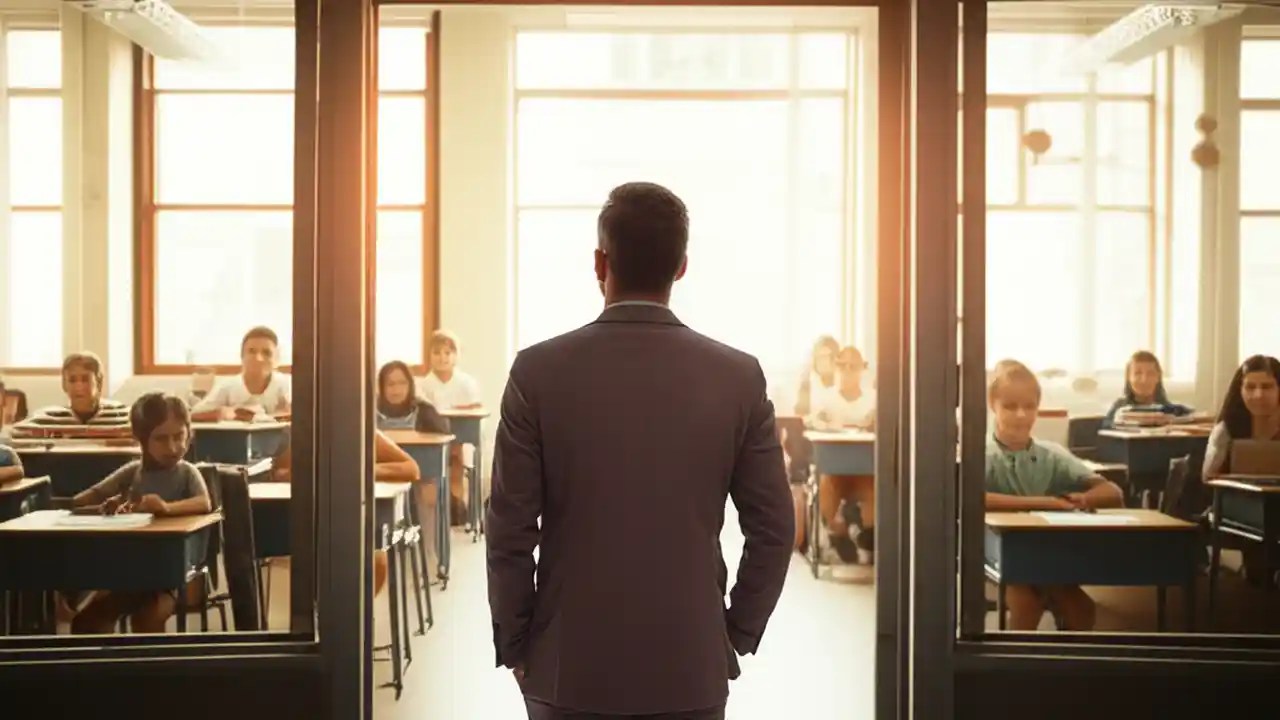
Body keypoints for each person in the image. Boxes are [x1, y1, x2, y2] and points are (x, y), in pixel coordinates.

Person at [487, 182, 793, 720]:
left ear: (600, 262)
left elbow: (509, 528)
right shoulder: (737, 377)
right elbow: (774, 527)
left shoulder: (537, 372)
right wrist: (736, 630)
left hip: (566, 668)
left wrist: (517, 645)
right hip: (690, 664)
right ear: (680, 267)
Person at [985, 359, 1124, 631]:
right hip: (999, 552)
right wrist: (1044, 503)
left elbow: (1113, 492)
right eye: (1010, 407)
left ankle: (1066, 669)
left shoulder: (1050, 454)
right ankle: (1016, 669)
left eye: (1029, 406)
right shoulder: (982, 453)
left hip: (1046, 552)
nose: (1021, 415)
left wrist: (1081, 499)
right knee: (1026, 605)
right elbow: (971, 498)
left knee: (1082, 609)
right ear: (993, 406)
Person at [70, 393, 213, 634]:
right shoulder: (133, 472)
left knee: (148, 619)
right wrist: (106, 507)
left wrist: (166, 508)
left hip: (169, 575)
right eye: (160, 439)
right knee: (87, 622)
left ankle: (150, 672)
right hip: (128, 571)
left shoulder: (187, 472)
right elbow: (81, 501)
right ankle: (104, 671)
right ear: (141, 439)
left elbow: (204, 503)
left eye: (179, 436)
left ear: (190, 433)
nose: (172, 447)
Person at [270, 426, 419, 596]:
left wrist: (365, 470)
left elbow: (412, 469)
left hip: (355, 517)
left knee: (375, 555)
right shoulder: (301, 431)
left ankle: (358, 614)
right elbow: (280, 473)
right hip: (310, 516)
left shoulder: (365, 432)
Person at [810, 346, 877, 563]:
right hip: (835, 471)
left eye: (852, 366)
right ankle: (838, 532)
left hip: (866, 473)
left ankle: (868, 535)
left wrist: (874, 421)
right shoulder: (827, 398)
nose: (847, 371)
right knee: (827, 483)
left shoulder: (873, 398)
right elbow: (812, 421)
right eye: (842, 366)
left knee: (875, 489)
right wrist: (821, 421)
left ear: (861, 370)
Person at [420, 330, 480, 523]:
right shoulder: (424, 384)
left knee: (457, 452)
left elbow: (475, 408)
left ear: (456, 356)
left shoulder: (466, 383)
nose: (442, 358)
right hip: (433, 438)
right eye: (437, 353)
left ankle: (456, 500)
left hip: (460, 440)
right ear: (429, 356)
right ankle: (437, 504)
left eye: (448, 353)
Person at [12, 352, 130, 437]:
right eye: (72, 380)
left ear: (99, 382)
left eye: (85, 379)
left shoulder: (121, 414)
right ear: (64, 385)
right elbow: (15, 433)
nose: (78, 387)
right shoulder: (49, 416)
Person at [190, 326, 292, 422]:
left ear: (276, 359)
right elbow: (192, 415)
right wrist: (223, 413)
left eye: (266, 353)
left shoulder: (286, 384)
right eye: (252, 351)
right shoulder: (227, 387)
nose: (258, 359)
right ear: (242, 356)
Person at [1203, 355, 1280, 478]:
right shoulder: (1226, 430)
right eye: (1250, 387)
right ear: (1240, 391)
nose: (1258, 395)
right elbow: (1208, 478)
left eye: (1267, 387)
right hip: (1237, 495)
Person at [1101, 350, 1194, 429]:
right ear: (1128, 378)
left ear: (1158, 377)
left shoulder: (1173, 410)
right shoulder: (1119, 410)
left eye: (1150, 374)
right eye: (1138, 373)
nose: (1144, 380)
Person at [375, 361, 450, 434]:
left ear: (410, 385)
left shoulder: (425, 412)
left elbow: (443, 440)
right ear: (382, 387)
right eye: (390, 384)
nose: (397, 390)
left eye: (402, 383)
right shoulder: (369, 412)